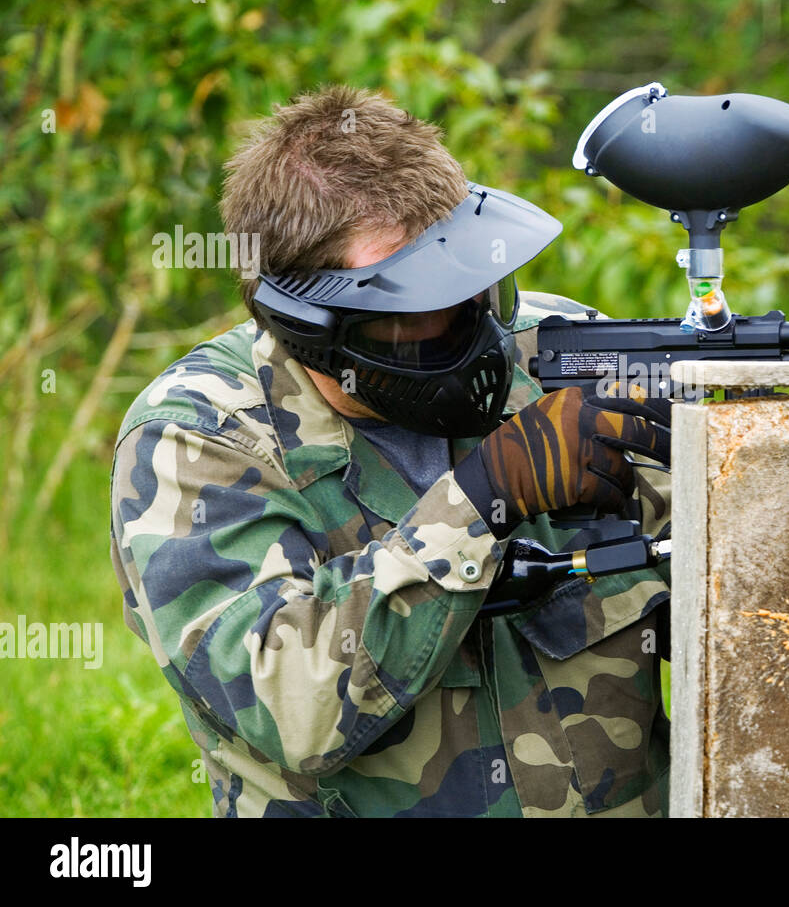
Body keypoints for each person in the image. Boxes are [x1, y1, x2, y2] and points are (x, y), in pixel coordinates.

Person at [109, 85, 673, 817]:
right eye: (414, 317)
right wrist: (479, 502)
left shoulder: (557, 356)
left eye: (470, 290)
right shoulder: (196, 440)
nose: (468, 338)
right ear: (307, 322)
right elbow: (291, 707)